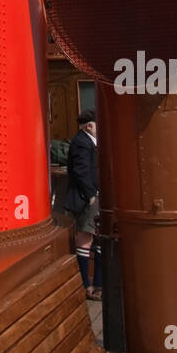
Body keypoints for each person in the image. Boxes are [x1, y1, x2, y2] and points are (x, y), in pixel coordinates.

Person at [65, 110, 102, 300]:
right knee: (86, 238)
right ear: (89, 126)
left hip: (92, 195)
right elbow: (81, 171)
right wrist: (91, 195)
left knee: (94, 238)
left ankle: (96, 283)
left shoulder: (85, 141)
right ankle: (87, 285)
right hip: (88, 198)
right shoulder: (82, 142)